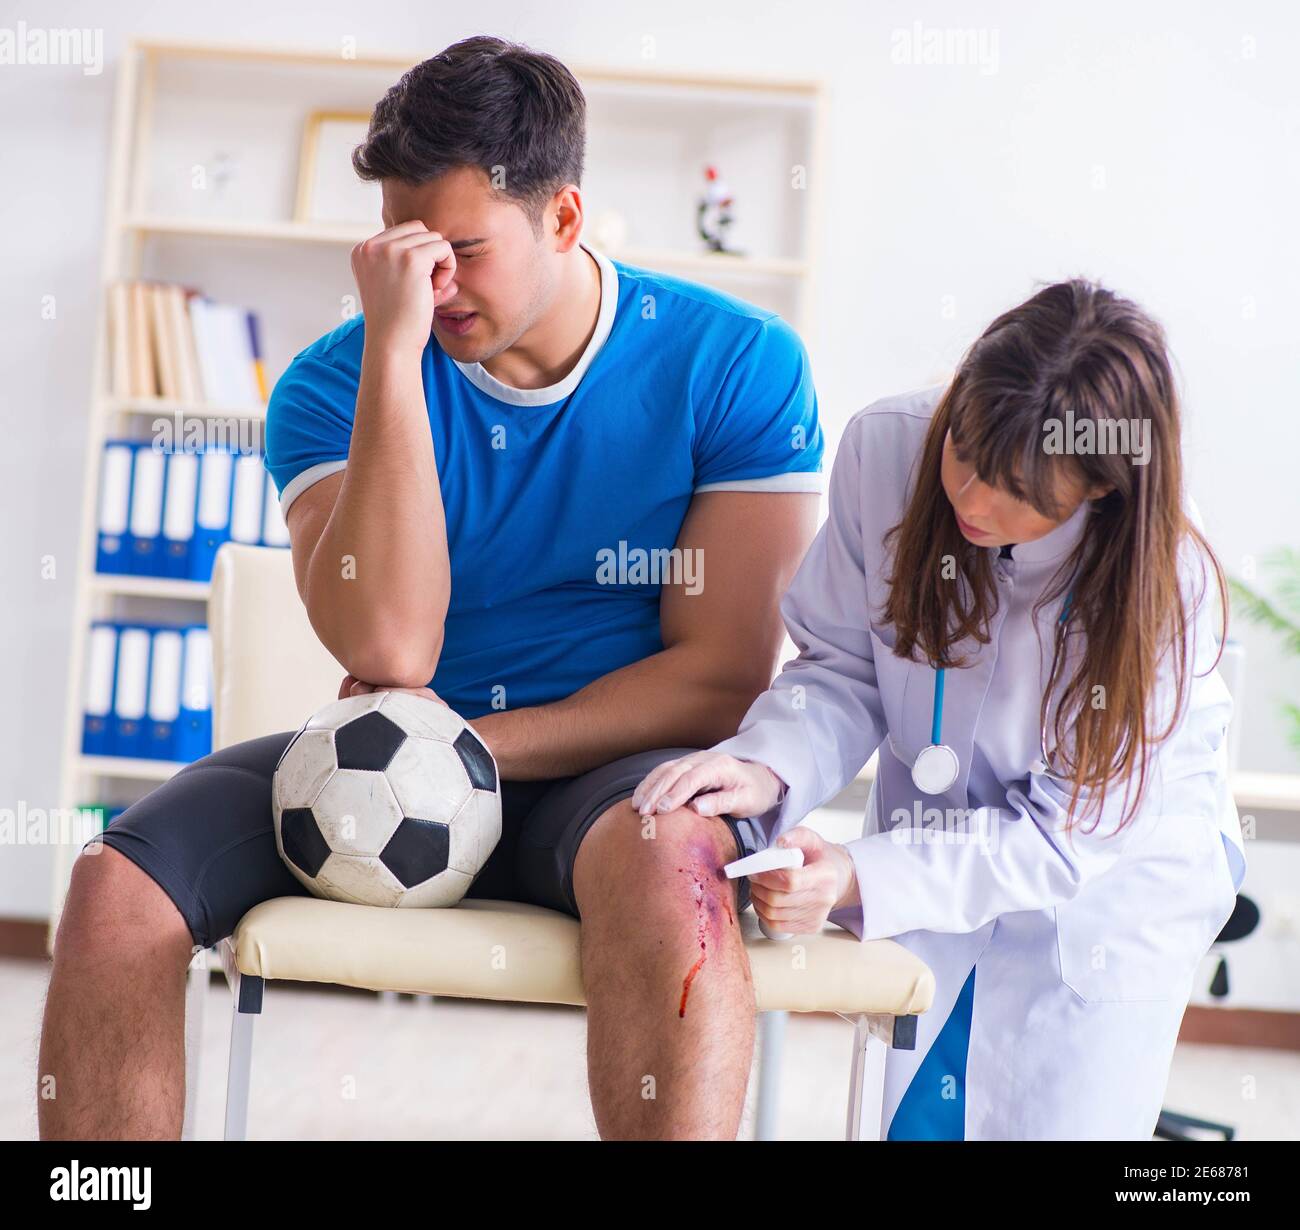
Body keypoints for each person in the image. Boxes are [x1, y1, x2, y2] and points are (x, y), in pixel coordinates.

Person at [40, 36, 822, 1141]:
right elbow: (394, 648)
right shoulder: (331, 382)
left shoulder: (735, 362)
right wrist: (395, 361)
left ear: (562, 217)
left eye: (464, 247)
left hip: (598, 774)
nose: (436, 283)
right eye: (410, 251)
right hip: (381, 762)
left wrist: (469, 754)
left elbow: (725, 675)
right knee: (114, 889)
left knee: (671, 866)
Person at [633, 280, 1246, 1140]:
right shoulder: (887, 448)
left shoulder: (1164, 580)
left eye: (1020, 494)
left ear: (1101, 489)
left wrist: (858, 874)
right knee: (918, 1116)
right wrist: (764, 764)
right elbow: (843, 666)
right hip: (934, 848)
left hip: (1106, 892)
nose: (973, 501)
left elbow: (1059, 838)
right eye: (966, 452)